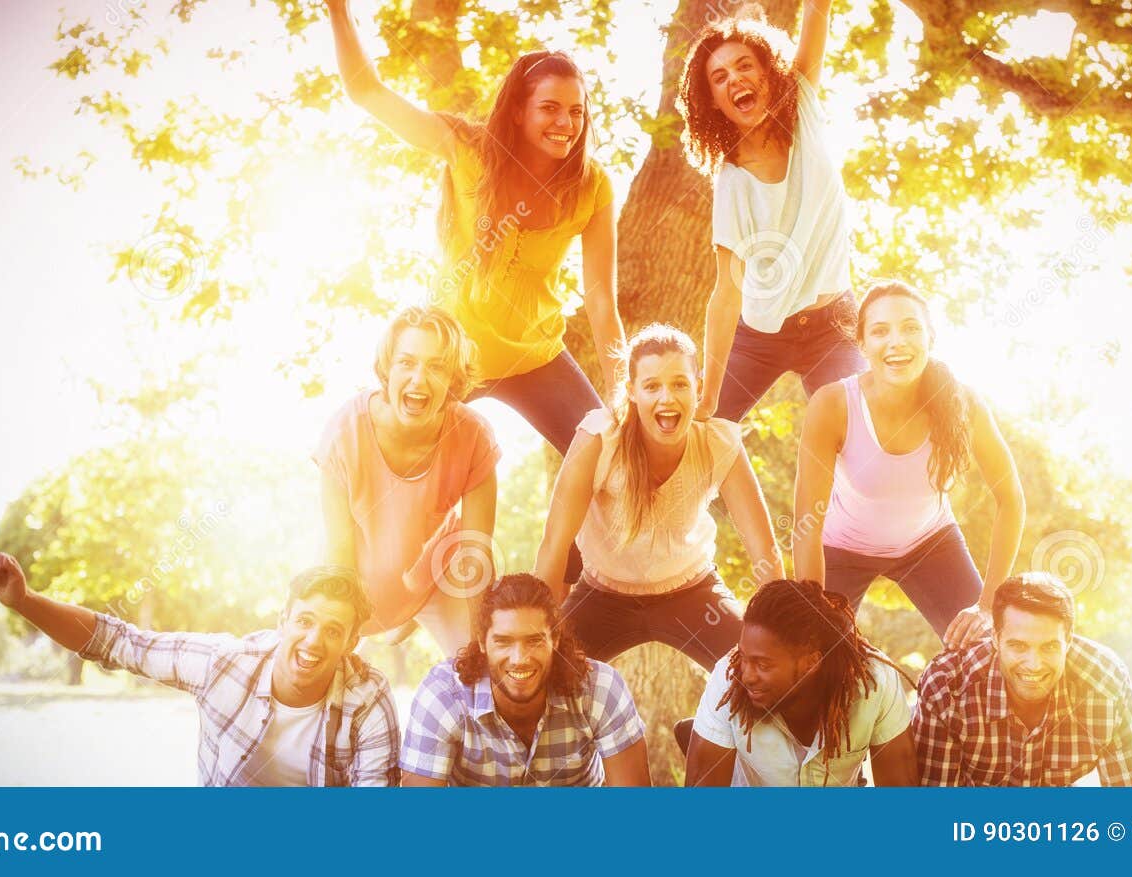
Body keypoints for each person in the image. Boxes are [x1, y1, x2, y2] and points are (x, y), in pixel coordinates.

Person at [326, 1, 625, 456]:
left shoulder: (592, 186)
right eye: (550, 108)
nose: (566, 123)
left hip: (534, 355)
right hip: (451, 356)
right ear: (519, 112)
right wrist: (339, 11)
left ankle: (578, 531)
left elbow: (601, 300)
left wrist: (624, 395)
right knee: (400, 462)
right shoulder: (468, 149)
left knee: (606, 461)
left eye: (576, 112)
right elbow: (366, 91)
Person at [0, 553, 401, 786]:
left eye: (332, 631)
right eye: (304, 622)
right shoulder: (224, 665)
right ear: (283, 620)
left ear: (351, 643)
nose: (312, 642)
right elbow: (117, 642)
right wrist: (24, 601)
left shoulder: (367, 699)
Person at [533, 324, 782, 670]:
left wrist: (781, 634)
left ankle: (697, 727)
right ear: (632, 391)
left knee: (763, 669)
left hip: (694, 593)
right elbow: (553, 545)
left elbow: (763, 550)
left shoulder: (717, 442)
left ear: (698, 388)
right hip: (602, 597)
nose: (667, 398)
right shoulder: (599, 438)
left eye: (679, 384)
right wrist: (537, 638)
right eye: (652, 386)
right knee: (548, 675)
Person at [792, 280, 1025, 648]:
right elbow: (807, 521)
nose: (897, 341)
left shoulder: (963, 402)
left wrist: (987, 604)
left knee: (988, 649)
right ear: (862, 343)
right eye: (881, 330)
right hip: (841, 547)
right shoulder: (833, 404)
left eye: (911, 328)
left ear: (930, 337)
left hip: (930, 542)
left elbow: (1010, 499)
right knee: (813, 655)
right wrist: (813, 612)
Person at [678, 1, 865, 423]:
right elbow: (727, 293)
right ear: (713, 102)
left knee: (858, 429)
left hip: (834, 324)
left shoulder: (803, 105)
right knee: (700, 434)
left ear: (768, 71)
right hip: (762, 333)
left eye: (745, 65)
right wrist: (708, 398)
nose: (736, 79)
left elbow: (819, 11)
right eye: (720, 77)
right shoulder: (732, 182)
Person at [316, 306, 499, 656]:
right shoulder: (344, 431)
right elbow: (339, 551)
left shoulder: (474, 435)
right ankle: (396, 620)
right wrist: (345, 628)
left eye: (436, 366)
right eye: (406, 362)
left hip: (434, 579)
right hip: (357, 578)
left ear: (453, 379)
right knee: (320, 660)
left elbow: (477, 550)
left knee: (481, 662)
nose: (418, 379)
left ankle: (411, 615)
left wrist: (481, 642)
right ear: (387, 368)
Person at [399, 574, 650, 786]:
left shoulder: (599, 688)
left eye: (534, 641)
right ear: (482, 642)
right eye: (503, 642)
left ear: (556, 640)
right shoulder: (443, 696)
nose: (520, 658)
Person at [911, 572, 1132, 786]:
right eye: (1018, 646)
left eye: (1049, 647)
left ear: (1068, 640)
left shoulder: (1106, 683)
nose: (1034, 665)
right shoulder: (946, 687)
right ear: (995, 638)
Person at [684, 578, 916, 787]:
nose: (747, 676)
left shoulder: (874, 682)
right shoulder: (728, 678)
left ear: (811, 662)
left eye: (763, 665)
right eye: (744, 659)